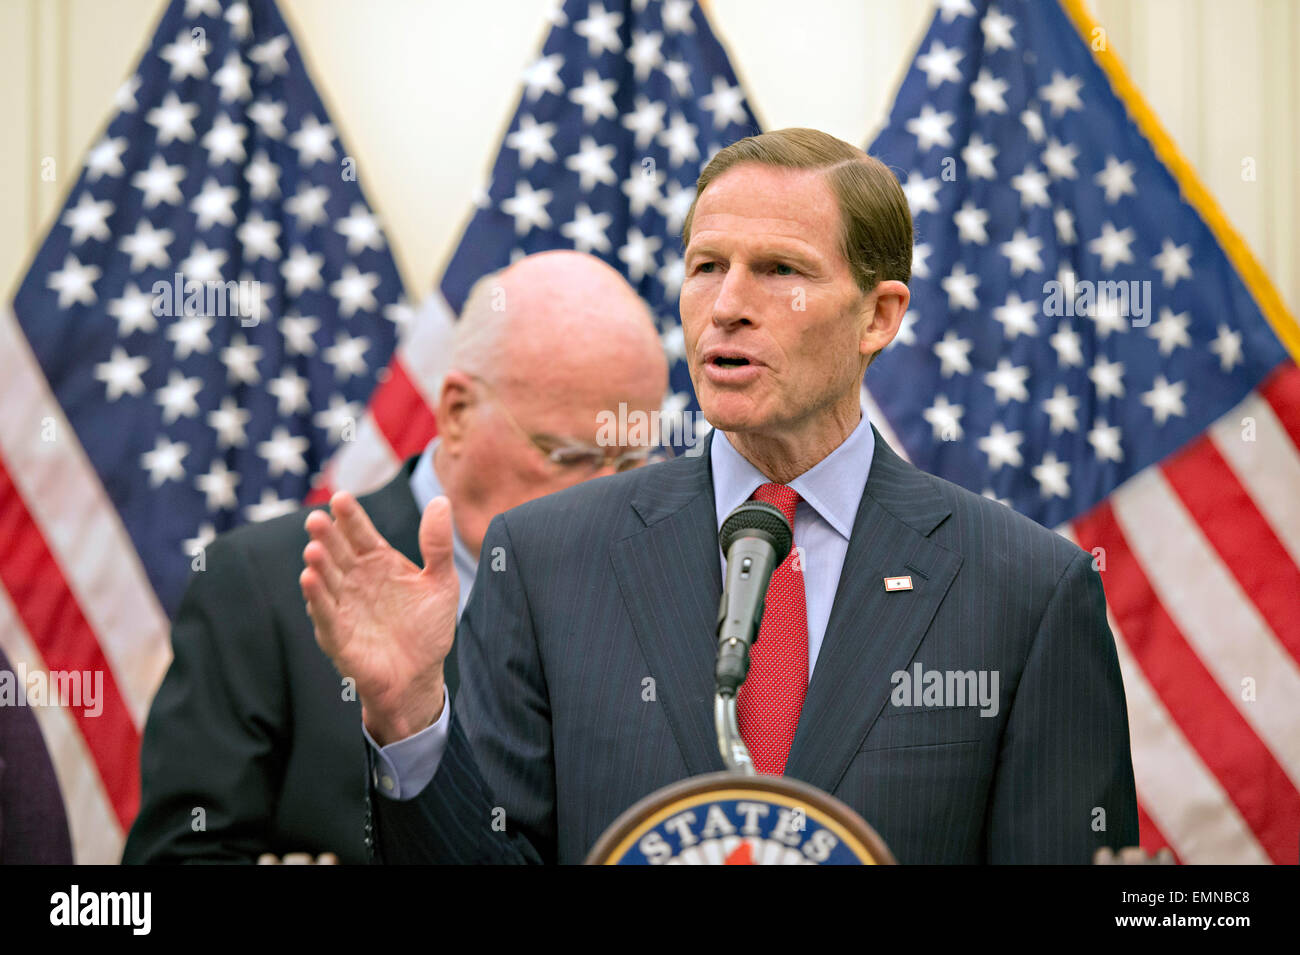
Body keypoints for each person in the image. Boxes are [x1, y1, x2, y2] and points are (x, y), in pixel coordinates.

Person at [303, 128, 1139, 864]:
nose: (727, 307)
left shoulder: (1025, 590)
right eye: (707, 267)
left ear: (878, 317)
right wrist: (409, 714)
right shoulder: (545, 560)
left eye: (780, 270)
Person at [123, 251, 668, 863]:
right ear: (457, 412)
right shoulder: (264, 586)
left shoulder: (665, 596)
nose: (605, 491)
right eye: (569, 456)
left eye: (630, 461)